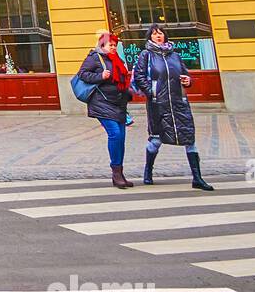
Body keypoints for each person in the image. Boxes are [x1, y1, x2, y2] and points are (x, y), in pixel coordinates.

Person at [131, 24, 214, 190]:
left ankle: (197, 178)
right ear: (149, 37)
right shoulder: (146, 55)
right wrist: (153, 92)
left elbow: (185, 74)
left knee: (189, 137)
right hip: (158, 104)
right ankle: (148, 172)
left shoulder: (175, 55)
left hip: (179, 102)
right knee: (156, 139)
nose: (158, 36)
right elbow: (139, 77)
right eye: (154, 34)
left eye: (160, 33)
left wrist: (188, 81)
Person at [77, 30, 135, 189]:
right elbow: (82, 74)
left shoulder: (118, 60)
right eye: (111, 44)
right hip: (101, 103)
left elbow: (121, 80)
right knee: (115, 134)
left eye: (115, 45)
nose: (113, 47)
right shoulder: (95, 58)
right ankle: (116, 173)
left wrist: (128, 92)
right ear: (102, 45)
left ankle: (120, 173)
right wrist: (100, 76)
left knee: (121, 138)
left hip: (119, 104)